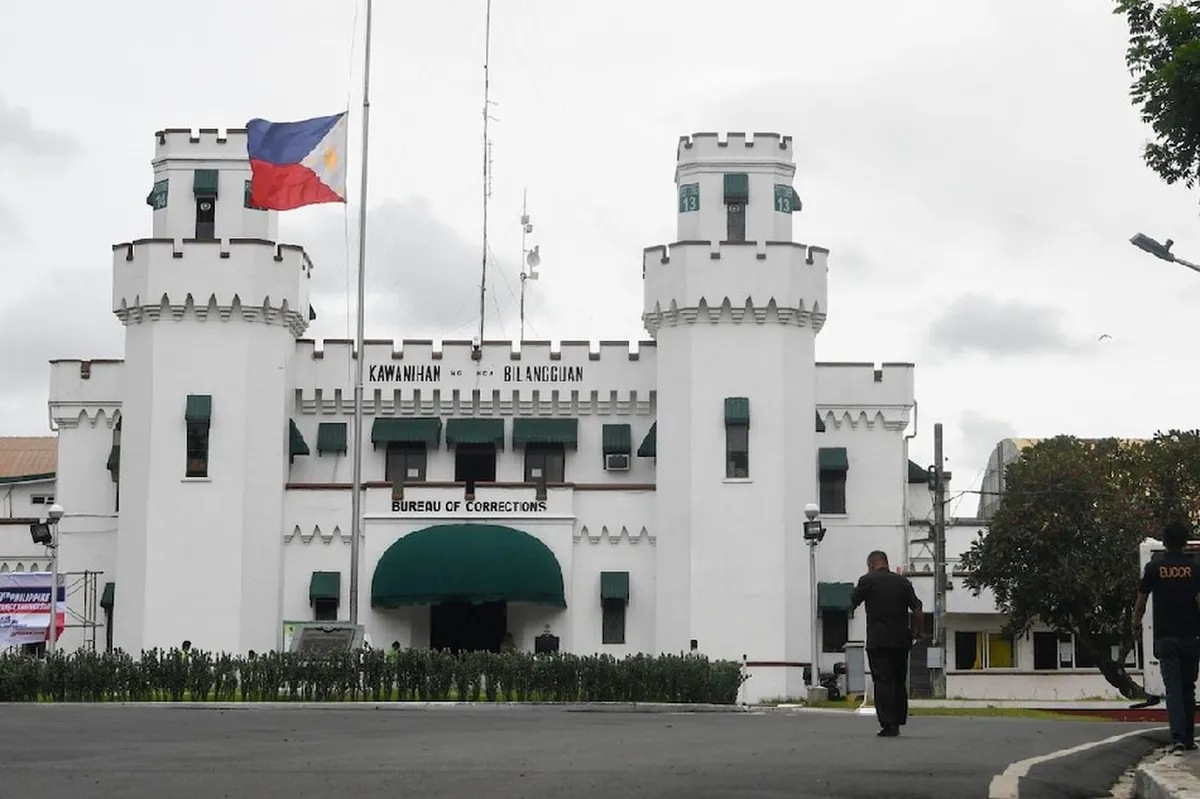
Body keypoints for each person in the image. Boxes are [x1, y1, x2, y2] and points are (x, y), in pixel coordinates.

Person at [1135, 519, 1200, 754]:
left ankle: (1179, 740)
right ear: (1184, 542)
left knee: (1172, 688)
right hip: (1191, 637)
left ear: (1165, 542)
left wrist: (1135, 622)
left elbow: (1141, 600)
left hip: (1166, 638)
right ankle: (1190, 738)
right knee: (1188, 688)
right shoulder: (1194, 568)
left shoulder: (1154, 568)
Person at [850, 550, 924, 737]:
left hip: (879, 640)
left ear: (871, 564)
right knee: (899, 680)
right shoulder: (903, 582)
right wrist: (917, 632)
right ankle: (899, 718)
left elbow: (852, 601)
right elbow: (917, 608)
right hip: (901, 640)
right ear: (886, 563)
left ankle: (889, 724)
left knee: (883, 681)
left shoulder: (868, 580)